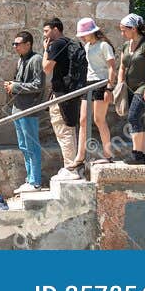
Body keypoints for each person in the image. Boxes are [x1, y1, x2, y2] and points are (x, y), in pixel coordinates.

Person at [114, 14, 145, 165]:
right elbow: (122, 67)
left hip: (143, 87)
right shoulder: (126, 46)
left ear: (133, 29)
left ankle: (137, 154)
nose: (122, 33)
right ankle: (144, 155)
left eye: (124, 30)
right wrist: (120, 83)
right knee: (139, 118)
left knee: (133, 117)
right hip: (129, 88)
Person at [41, 17, 84, 179]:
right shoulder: (69, 42)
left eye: (46, 31)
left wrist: (46, 50)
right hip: (70, 91)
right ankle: (73, 166)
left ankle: (71, 168)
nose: (45, 35)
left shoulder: (57, 44)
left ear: (56, 29)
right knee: (68, 129)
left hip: (61, 93)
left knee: (63, 130)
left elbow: (46, 68)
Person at [2, 31, 44, 191]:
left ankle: (36, 181)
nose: (15, 47)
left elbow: (39, 85)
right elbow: (20, 82)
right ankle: (30, 178)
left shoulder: (36, 59)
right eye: (14, 44)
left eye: (18, 44)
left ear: (28, 44)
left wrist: (16, 86)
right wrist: (11, 85)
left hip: (29, 110)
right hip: (18, 109)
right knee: (23, 146)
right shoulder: (21, 60)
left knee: (32, 146)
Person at [75, 18, 118, 167]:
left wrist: (109, 88)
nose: (82, 37)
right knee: (83, 120)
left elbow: (112, 67)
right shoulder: (87, 46)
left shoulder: (104, 45)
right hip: (89, 83)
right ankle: (80, 155)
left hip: (101, 83)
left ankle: (108, 154)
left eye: (84, 34)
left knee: (99, 119)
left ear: (91, 32)